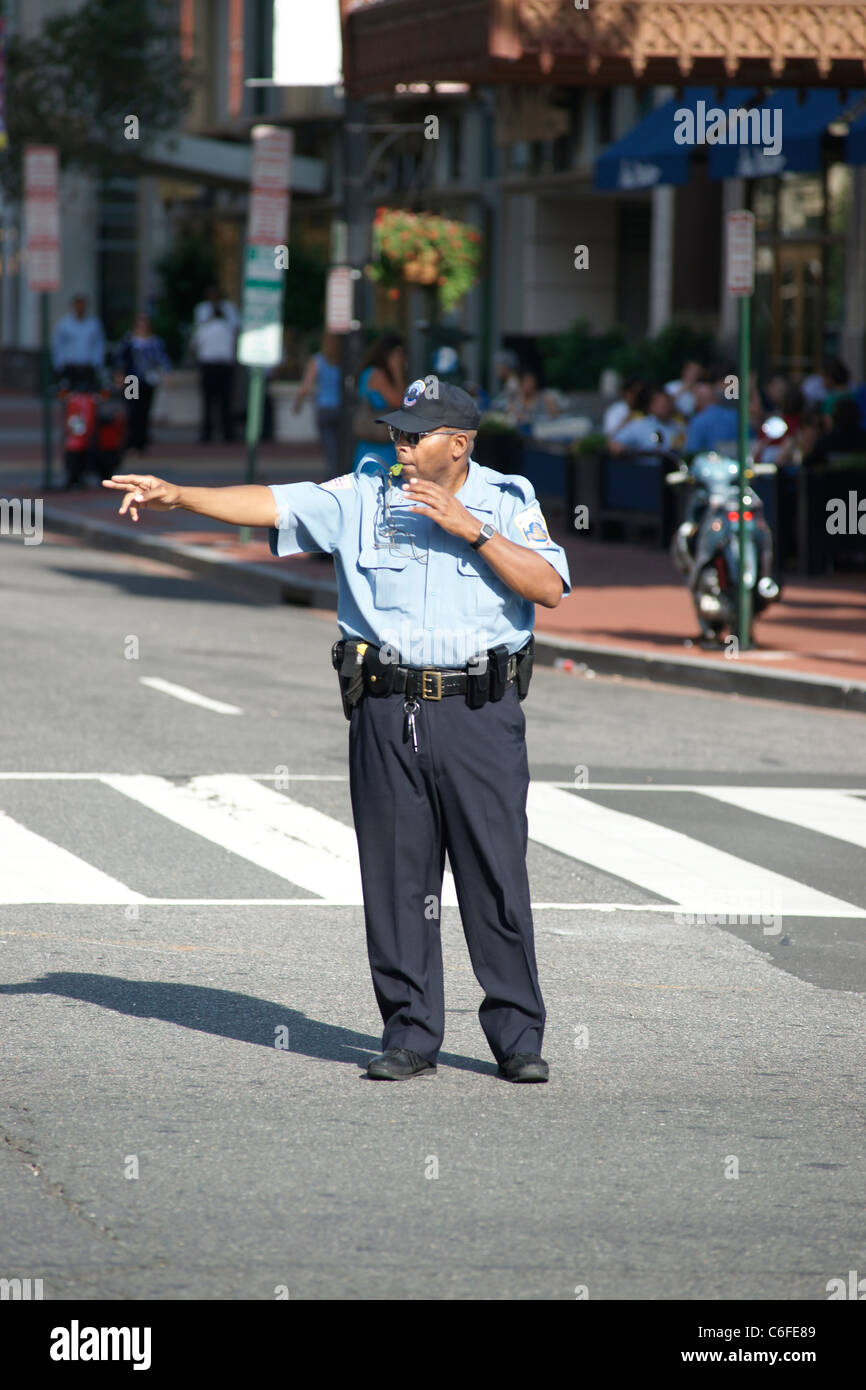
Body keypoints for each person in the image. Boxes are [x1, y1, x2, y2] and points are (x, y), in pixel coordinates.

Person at [102, 381, 571, 1084]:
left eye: (416, 435)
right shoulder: (362, 494)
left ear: (459, 444)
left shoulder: (507, 499)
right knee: (395, 876)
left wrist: (469, 528)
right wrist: (179, 495)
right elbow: (271, 502)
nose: (401, 445)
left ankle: (516, 1036)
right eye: (398, 432)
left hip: (480, 713)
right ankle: (410, 1032)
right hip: (387, 710)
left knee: (495, 878)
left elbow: (549, 586)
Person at [114, 314, 171, 453]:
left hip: (148, 379)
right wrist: (120, 375)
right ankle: (130, 440)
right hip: (132, 379)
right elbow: (120, 358)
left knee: (144, 410)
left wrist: (166, 373)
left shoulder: (155, 342)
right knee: (132, 409)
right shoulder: (129, 340)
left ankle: (141, 441)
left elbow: (162, 359)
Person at [352, 333, 405, 470]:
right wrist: (397, 371)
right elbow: (401, 402)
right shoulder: (378, 375)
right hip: (379, 443)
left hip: (370, 442)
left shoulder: (368, 372)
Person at [294, 332, 342, 475]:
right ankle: (339, 472)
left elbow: (306, 387)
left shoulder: (317, 360)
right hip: (340, 407)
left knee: (329, 447)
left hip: (324, 407)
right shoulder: (343, 359)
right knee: (340, 446)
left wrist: (297, 404)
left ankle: (333, 474)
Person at [191, 304, 236, 443]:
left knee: (208, 402)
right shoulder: (228, 328)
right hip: (224, 366)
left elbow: (193, 346)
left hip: (208, 366)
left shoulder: (204, 328)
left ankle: (207, 434)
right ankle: (228, 433)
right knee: (225, 402)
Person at [609, 383, 685, 457]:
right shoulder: (639, 425)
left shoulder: (678, 426)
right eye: (662, 404)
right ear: (651, 406)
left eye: (667, 403)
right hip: (646, 468)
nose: (666, 407)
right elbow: (615, 443)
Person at [685, 368, 745, 455]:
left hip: (711, 466)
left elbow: (692, 453)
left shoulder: (697, 422)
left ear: (698, 400)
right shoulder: (737, 416)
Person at [52, 294, 105, 382]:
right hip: (69, 366)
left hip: (88, 366)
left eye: (82, 305)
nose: (80, 307)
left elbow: (98, 344)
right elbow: (58, 344)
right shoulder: (64, 324)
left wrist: (97, 363)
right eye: (77, 305)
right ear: (73, 306)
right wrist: (59, 364)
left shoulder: (94, 324)